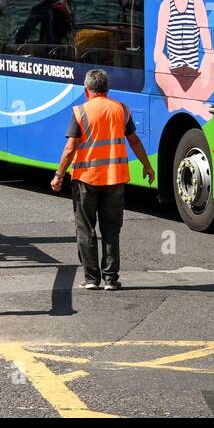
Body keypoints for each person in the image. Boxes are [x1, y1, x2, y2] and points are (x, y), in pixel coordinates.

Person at [50, 69, 154, 291]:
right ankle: (110, 278)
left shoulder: (80, 111)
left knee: (86, 229)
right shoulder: (121, 109)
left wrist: (59, 175)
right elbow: (134, 141)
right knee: (111, 230)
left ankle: (91, 279)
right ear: (107, 89)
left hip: (86, 179)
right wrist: (147, 165)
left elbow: (70, 148)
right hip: (115, 179)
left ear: (87, 90)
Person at [153, 0, 214, 119]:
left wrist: (207, 61)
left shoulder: (196, 2)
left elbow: (208, 48)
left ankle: (178, 102)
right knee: (159, 67)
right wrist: (163, 61)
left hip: (192, 74)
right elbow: (157, 51)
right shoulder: (166, 5)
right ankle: (197, 108)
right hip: (172, 74)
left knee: (213, 69)